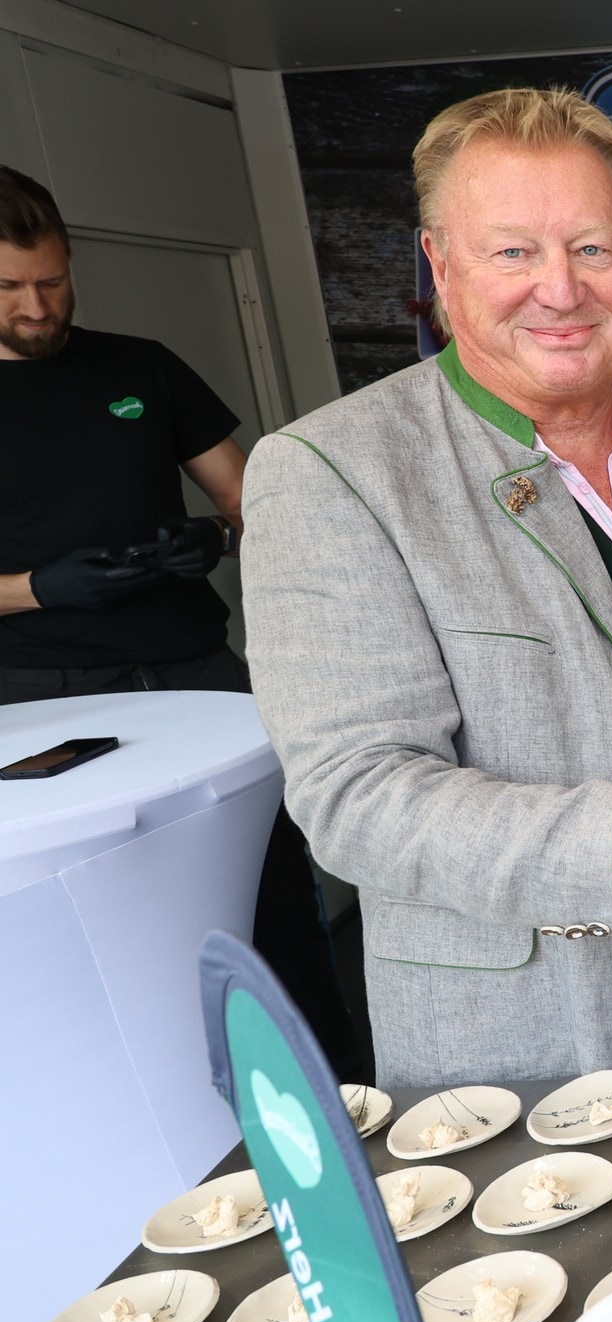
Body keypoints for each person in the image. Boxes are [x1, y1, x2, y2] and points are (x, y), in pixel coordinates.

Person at [241, 87, 612, 1087]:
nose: (560, 289)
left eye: (591, 248)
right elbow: (353, 797)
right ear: (440, 266)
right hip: (535, 1033)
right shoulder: (329, 471)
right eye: (512, 252)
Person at [0, 165, 360, 1074]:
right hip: (48, 702)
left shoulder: (141, 366)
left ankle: (338, 1093)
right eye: (9, 288)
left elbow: (255, 502)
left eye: (53, 279)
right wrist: (42, 587)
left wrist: (218, 542)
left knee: (271, 892)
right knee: (112, 925)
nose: (39, 307)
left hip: (200, 675)